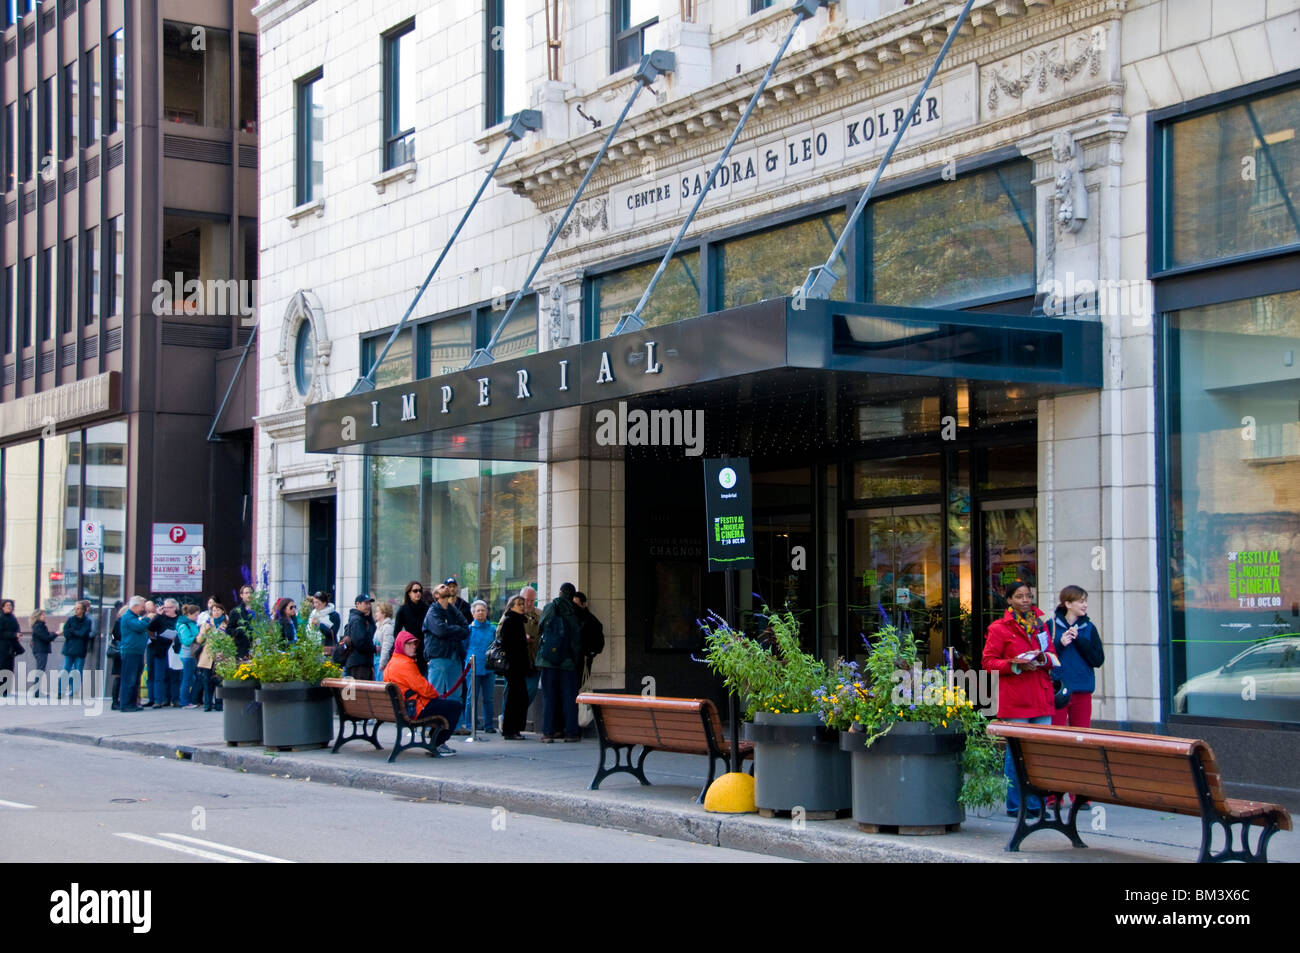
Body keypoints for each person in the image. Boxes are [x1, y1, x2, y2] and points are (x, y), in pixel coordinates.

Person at [982, 580, 1057, 816]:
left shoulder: (1041, 626)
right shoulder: (999, 628)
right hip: (1016, 700)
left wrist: (1044, 660)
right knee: (1016, 754)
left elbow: (1052, 653)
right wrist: (1015, 665)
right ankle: (1016, 804)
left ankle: (1036, 804)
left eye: (1028, 596)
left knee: (1038, 753)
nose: (1025, 600)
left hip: (1040, 696)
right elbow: (988, 662)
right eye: (1020, 596)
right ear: (1009, 600)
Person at [382, 631, 463, 754]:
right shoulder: (405, 664)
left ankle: (435, 739)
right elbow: (425, 689)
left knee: (443, 705)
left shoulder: (391, 663)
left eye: (414, 643)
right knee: (454, 706)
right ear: (400, 646)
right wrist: (436, 696)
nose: (413, 646)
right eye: (408, 644)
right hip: (415, 709)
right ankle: (437, 743)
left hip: (401, 708)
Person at [422, 584, 469, 751]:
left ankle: (448, 730)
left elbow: (465, 628)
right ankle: (432, 730)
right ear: (436, 594)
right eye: (442, 586)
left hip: (454, 657)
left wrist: (452, 629)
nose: (445, 587)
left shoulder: (453, 609)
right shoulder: (433, 612)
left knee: (455, 697)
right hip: (439, 657)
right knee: (435, 694)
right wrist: (454, 629)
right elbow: (440, 630)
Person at [536, 582, 583, 742]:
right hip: (567, 662)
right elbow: (577, 639)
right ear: (572, 594)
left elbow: (541, 628)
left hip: (548, 661)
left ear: (560, 592)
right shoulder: (575, 610)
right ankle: (571, 732)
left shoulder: (550, 607)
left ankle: (548, 732)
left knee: (549, 697)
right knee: (570, 698)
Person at [497, 595, 531, 739]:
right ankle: (510, 729)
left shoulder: (518, 621)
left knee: (519, 697)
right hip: (513, 666)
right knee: (514, 698)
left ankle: (514, 729)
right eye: (519, 604)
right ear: (511, 606)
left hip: (519, 665)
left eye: (523, 604)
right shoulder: (510, 621)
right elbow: (508, 644)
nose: (522, 606)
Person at [466, 600, 497, 733]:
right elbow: (464, 646)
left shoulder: (492, 629)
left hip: (489, 668)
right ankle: (470, 724)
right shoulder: (469, 629)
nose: (480, 613)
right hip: (473, 668)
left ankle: (488, 725)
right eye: (478, 611)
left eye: (483, 610)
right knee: (471, 697)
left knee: (488, 698)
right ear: (473, 614)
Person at [118, 597, 153, 712]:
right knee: (129, 679)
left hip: (137, 651)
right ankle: (126, 704)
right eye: (142, 606)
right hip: (130, 651)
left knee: (135, 679)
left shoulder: (135, 617)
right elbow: (139, 627)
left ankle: (132, 703)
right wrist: (147, 619)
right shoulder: (128, 617)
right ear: (136, 606)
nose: (143, 608)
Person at [147, 599, 180, 707]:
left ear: (175, 608)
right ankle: (159, 700)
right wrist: (158, 615)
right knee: (159, 676)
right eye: (164, 607)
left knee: (174, 676)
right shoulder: (161, 618)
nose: (166, 610)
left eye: (169, 607)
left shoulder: (179, 619)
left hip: (174, 650)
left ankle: (174, 699)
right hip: (161, 649)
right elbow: (150, 627)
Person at [196, 602, 227, 712]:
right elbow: (199, 640)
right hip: (208, 655)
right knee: (207, 680)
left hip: (221, 655)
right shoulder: (207, 624)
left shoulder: (226, 624)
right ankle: (207, 704)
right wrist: (205, 631)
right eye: (214, 611)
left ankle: (219, 704)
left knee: (219, 680)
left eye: (218, 610)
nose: (216, 612)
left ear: (222, 611)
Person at [59, 600, 93, 696]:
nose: (76, 610)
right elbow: (66, 633)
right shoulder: (70, 619)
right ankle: (60, 691)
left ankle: (74, 692)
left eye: (78, 608)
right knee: (65, 670)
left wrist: (72, 631)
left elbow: (83, 633)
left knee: (78, 671)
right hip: (69, 649)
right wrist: (74, 632)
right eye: (75, 608)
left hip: (80, 650)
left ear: (83, 610)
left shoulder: (87, 621)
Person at [395, 582, 429, 676]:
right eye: (415, 591)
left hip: (424, 647)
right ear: (409, 593)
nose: (418, 593)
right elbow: (396, 632)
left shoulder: (426, 608)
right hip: (410, 647)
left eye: (420, 591)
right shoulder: (403, 610)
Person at [341, 594, 376, 681]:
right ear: (357, 604)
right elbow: (360, 642)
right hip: (359, 664)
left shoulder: (360, 618)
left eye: (369, 603)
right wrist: (373, 648)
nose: (368, 606)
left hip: (357, 663)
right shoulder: (358, 620)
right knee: (360, 692)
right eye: (366, 603)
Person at [572, 591, 605, 677]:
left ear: (583, 604)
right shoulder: (572, 618)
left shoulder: (591, 621)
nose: (574, 607)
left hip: (582, 660)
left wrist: (589, 653)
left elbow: (599, 643)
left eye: (576, 604)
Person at [176, 604, 202, 708]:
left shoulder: (191, 623)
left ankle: (190, 699)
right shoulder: (184, 625)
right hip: (188, 654)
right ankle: (184, 701)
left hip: (192, 654)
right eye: (195, 615)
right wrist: (197, 638)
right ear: (189, 614)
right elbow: (185, 640)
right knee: (187, 678)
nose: (197, 617)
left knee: (192, 678)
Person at [520, 586, 542, 705]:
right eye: (526, 599)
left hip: (534, 661)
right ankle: (506, 718)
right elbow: (500, 635)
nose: (529, 603)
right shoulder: (512, 613)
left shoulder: (540, 614)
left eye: (532, 600)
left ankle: (518, 715)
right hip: (517, 662)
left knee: (531, 691)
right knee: (512, 694)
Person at [29, 610, 53, 696]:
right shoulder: (38, 626)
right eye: (43, 615)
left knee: (40, 670)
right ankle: (36, 692)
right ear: (38, 616)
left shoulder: (39, 626)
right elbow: (46, 638)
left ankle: (37, 691)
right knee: (40, 670)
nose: (45, 616)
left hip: (40, 650)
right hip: (40, 650)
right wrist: (56, 634)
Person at [0, 599, 21, 697]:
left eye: (10, 605)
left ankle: (7, 689)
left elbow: (17, 628)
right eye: (7, 605)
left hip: (11, 647)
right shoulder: (1, 617)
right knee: (2, 667)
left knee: (10, 667)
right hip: (2, 646)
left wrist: (18, 634)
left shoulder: (13, 617)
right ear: (3, 607)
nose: (9, 607)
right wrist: (13, 635)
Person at [228, 585, 256, 658]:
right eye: (246, 593)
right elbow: (229, 629)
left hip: (257, 645)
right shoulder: (236, 611)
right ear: (241, 595)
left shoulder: (259, 610)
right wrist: (239, 631)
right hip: (242, 647)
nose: (249, 595)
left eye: (251, 592)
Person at [107, 600, 125, 709]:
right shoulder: (120, 622)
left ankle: (115, 700)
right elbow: (115, 636)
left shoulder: (118, 622)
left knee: (118, 677)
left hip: (118, 651)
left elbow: (114, 636)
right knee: (119, 676)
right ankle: (115, 700)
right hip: (120, 651)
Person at [373, 601, 396, 679]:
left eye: (377, 611)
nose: (376, 614)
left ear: (384, 613)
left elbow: (386, 647)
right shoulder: (377, 627)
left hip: (381, 663)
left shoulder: (387, 627)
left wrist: (382, 663)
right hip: (375, 661)